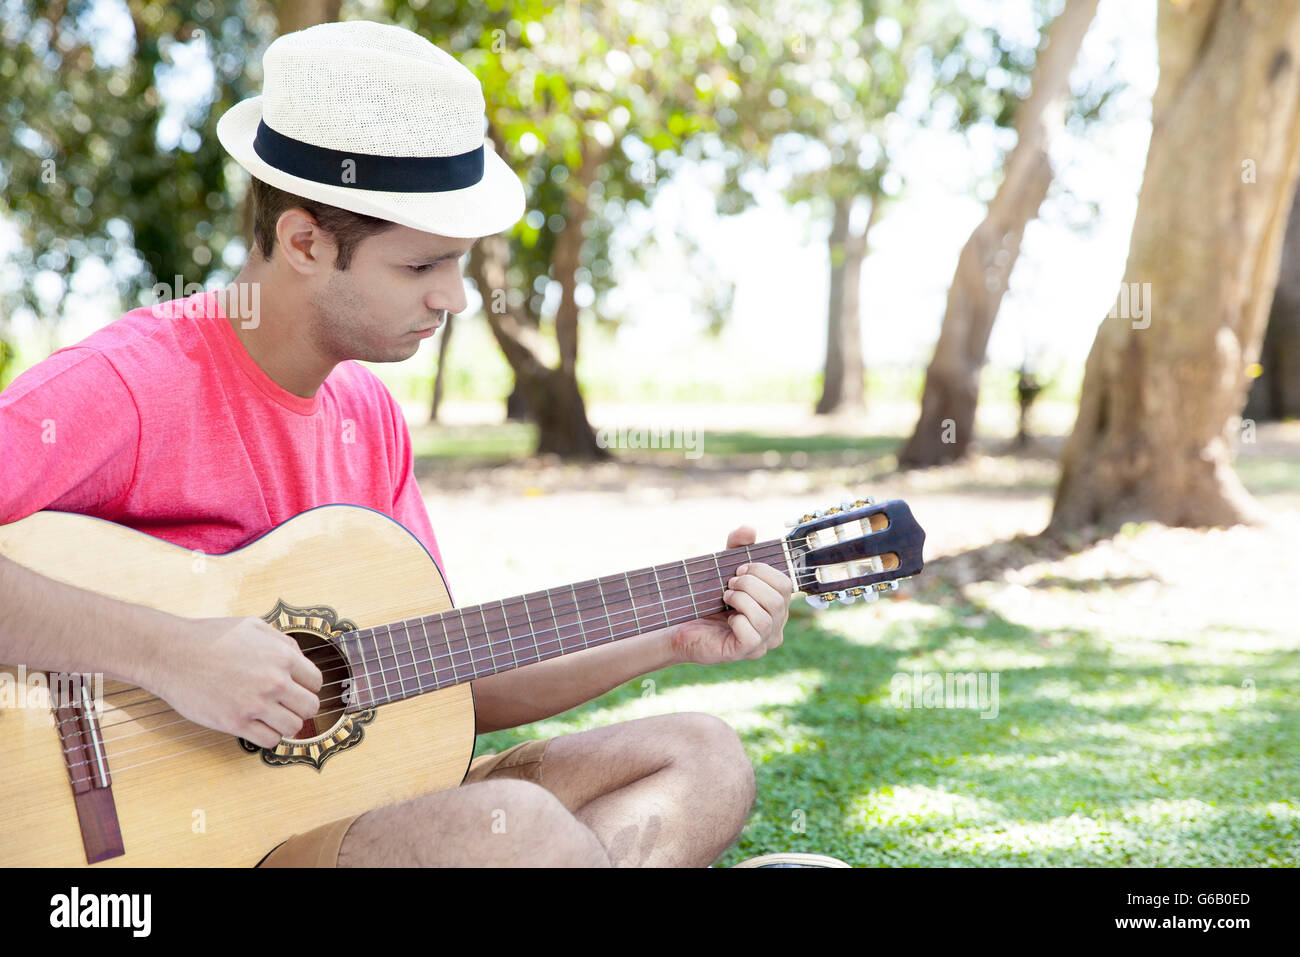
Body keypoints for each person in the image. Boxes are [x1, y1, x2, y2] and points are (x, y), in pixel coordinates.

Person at [0, 20, 793, 867]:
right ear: (304, 241)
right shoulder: (127, 385)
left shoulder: (367, 414)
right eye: (421, 268)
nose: (454, 297)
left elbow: (444, 677)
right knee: (524, 835)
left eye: (459, 264)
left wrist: (674, 631)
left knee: (703, 758)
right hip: (165, 851)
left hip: (359, 815)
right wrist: (174, 654)